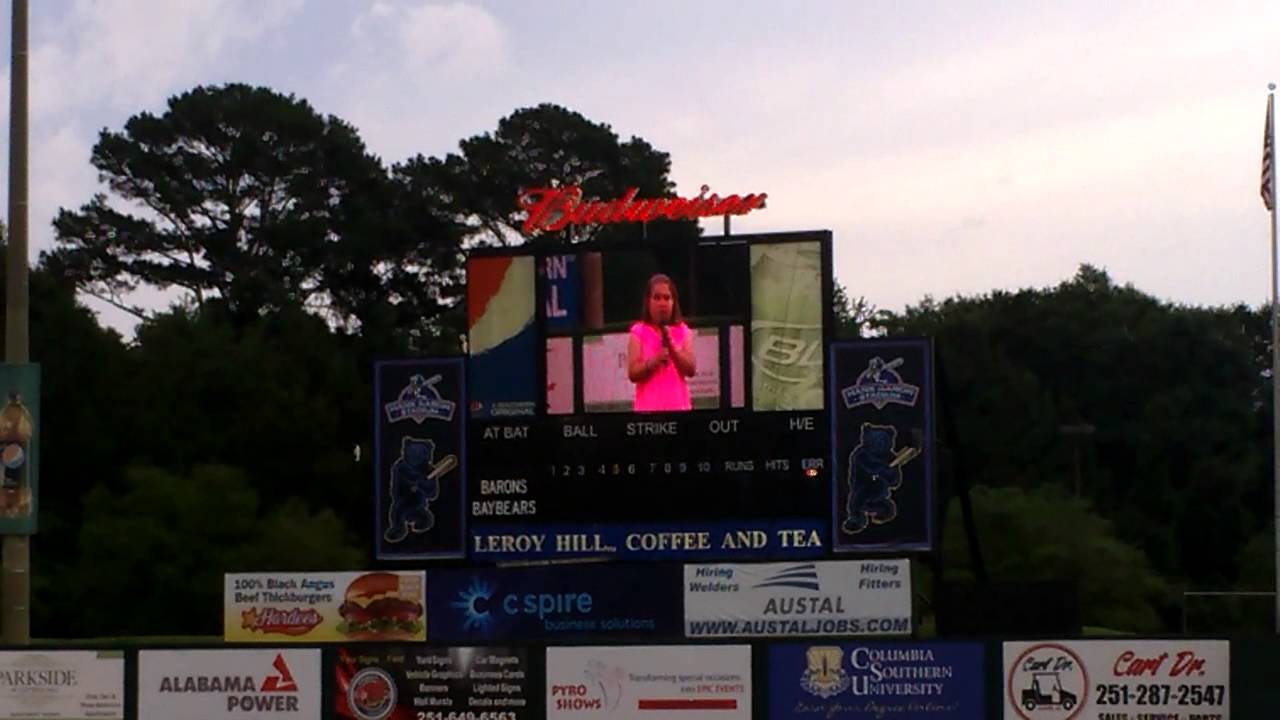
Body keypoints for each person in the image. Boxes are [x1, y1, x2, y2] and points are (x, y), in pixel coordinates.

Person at [628, 274, 696, 412]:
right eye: (657, 298)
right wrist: (654, 361)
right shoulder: (638, 332)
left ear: (673, 302)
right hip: (647, 410)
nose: (662, 303)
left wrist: (672, 347)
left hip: (678, 408)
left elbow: (690, 369)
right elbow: (633, 373)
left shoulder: (683, 331)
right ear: (648, 302)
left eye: (666, 298)